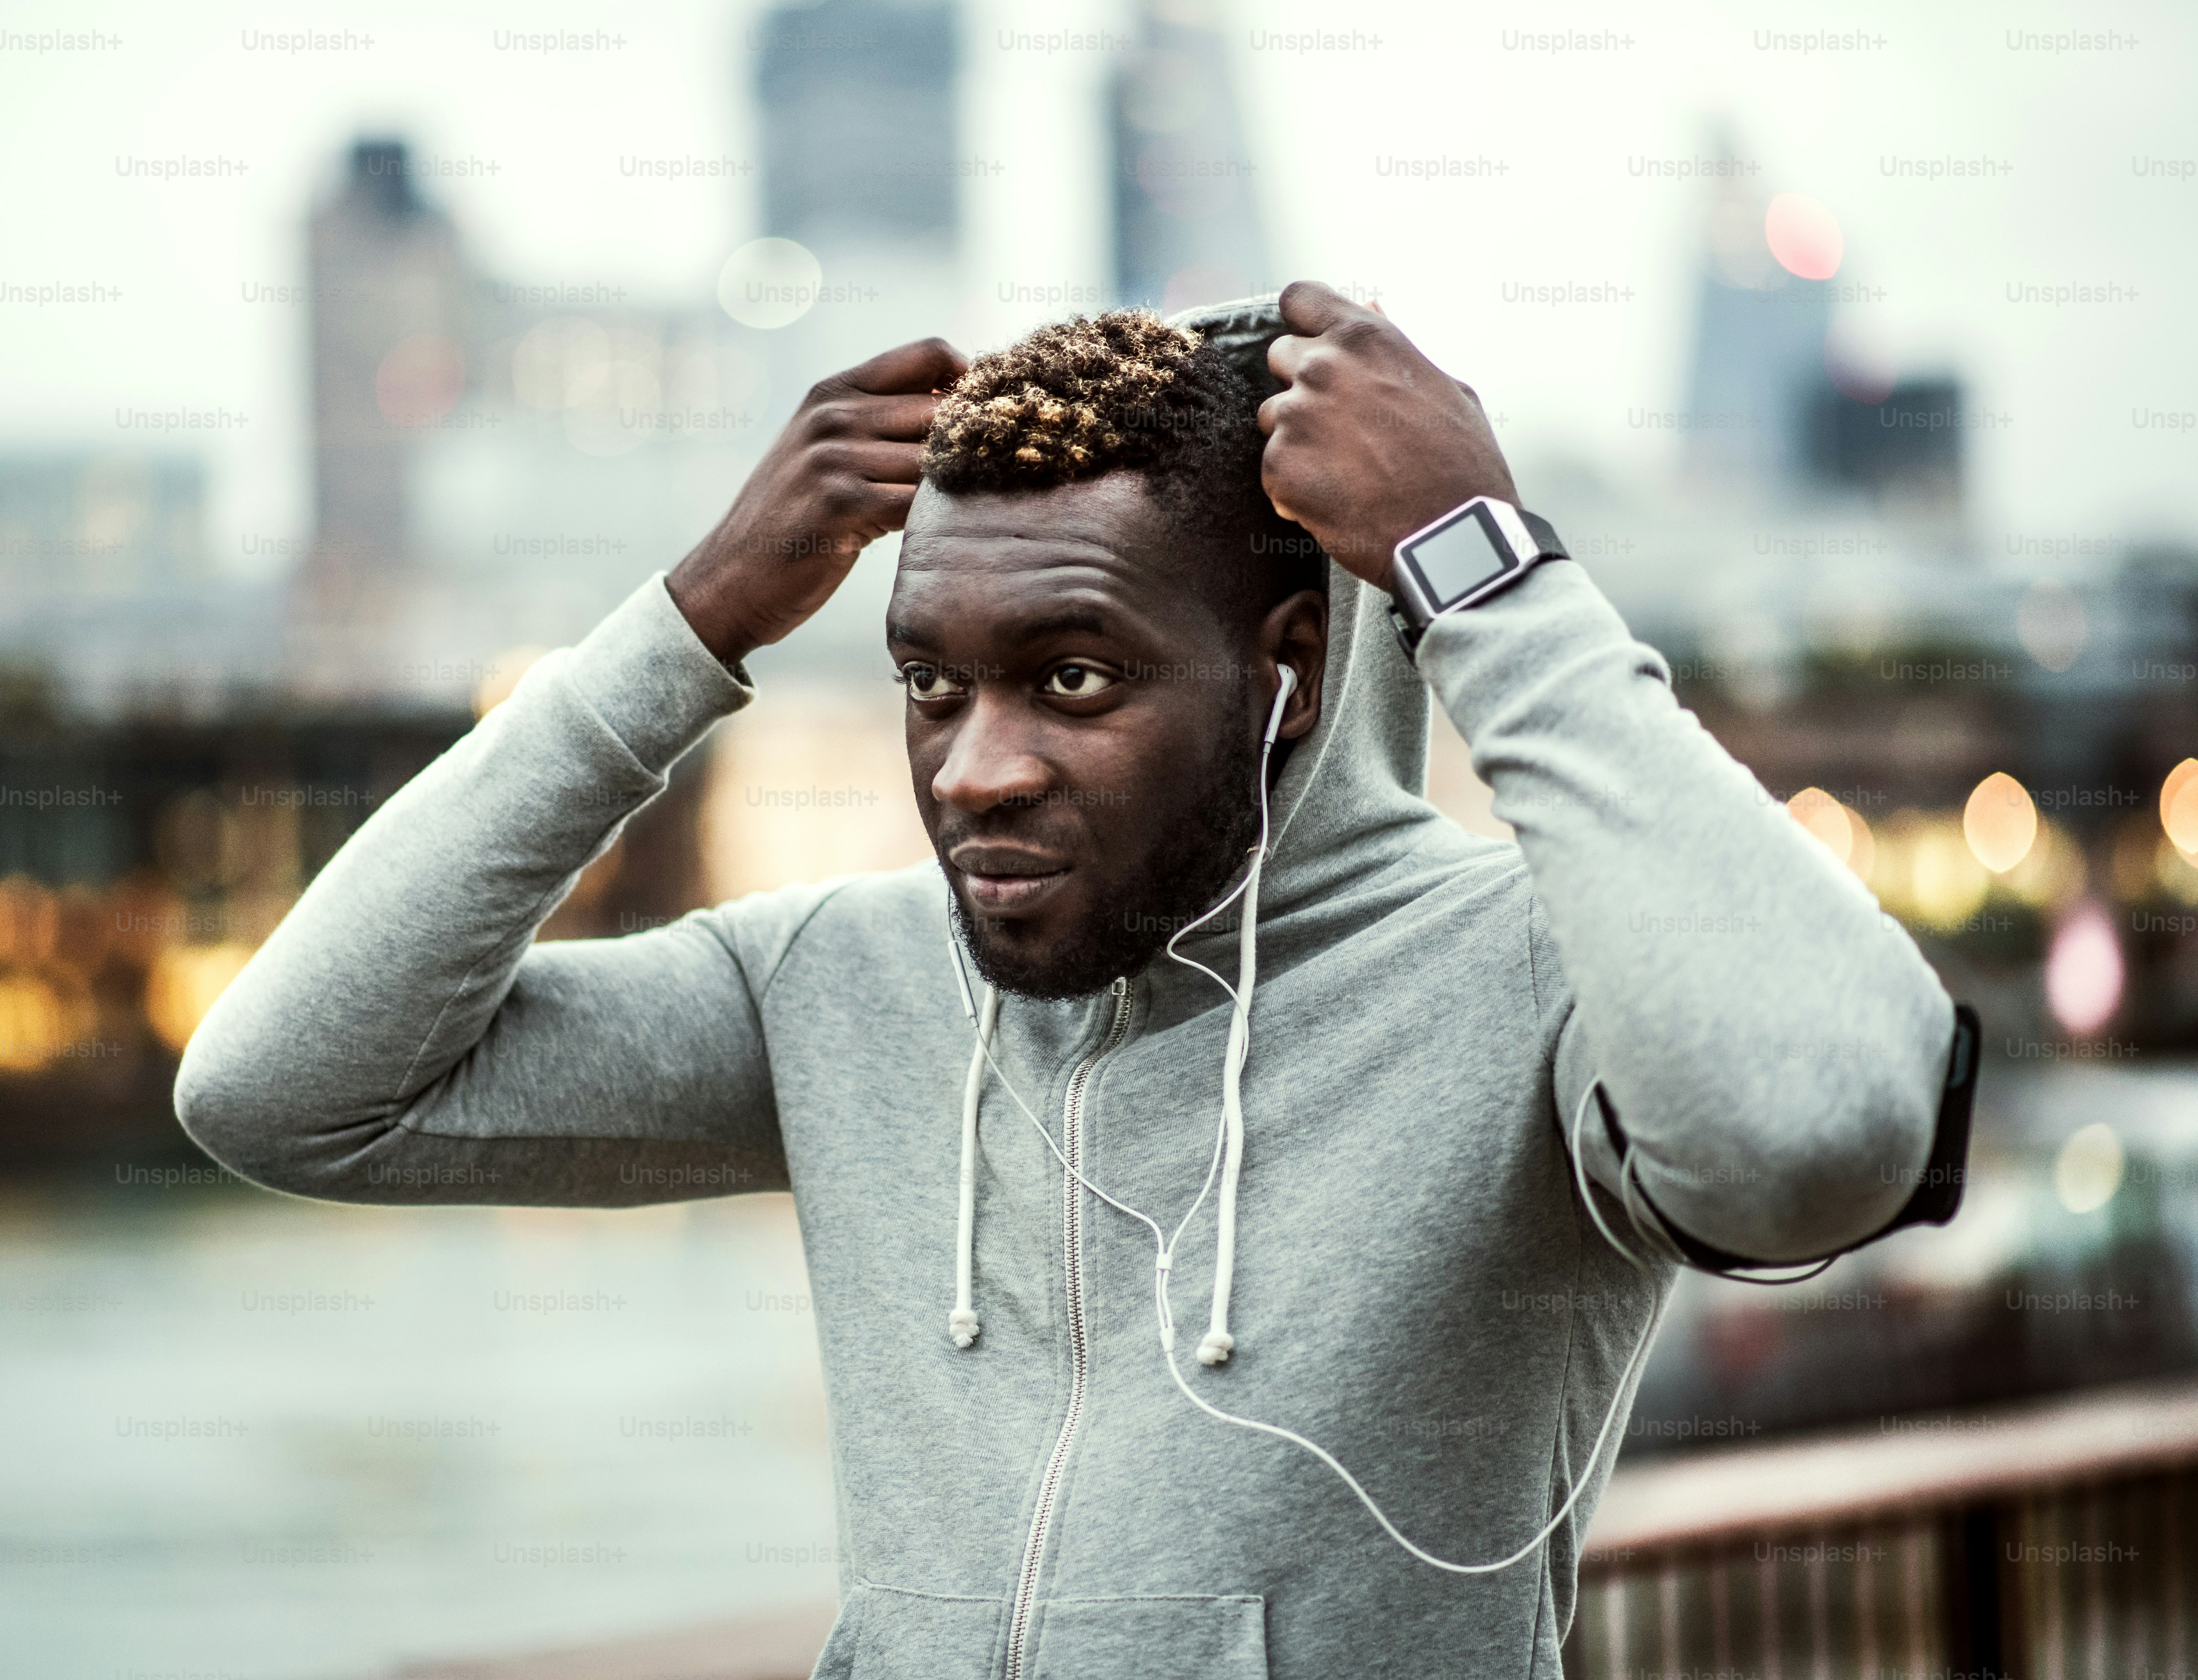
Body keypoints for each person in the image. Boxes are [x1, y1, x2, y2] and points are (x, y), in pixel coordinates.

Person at [177, 283, 1974, 1680]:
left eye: (1075, 679)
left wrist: (1483, 576)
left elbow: (1823, 1130)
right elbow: (285, 1093)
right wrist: (691, 621)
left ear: (1286, 671)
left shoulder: (1533, 977)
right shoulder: (838, 982)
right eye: (931, 684)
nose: (974, 771)